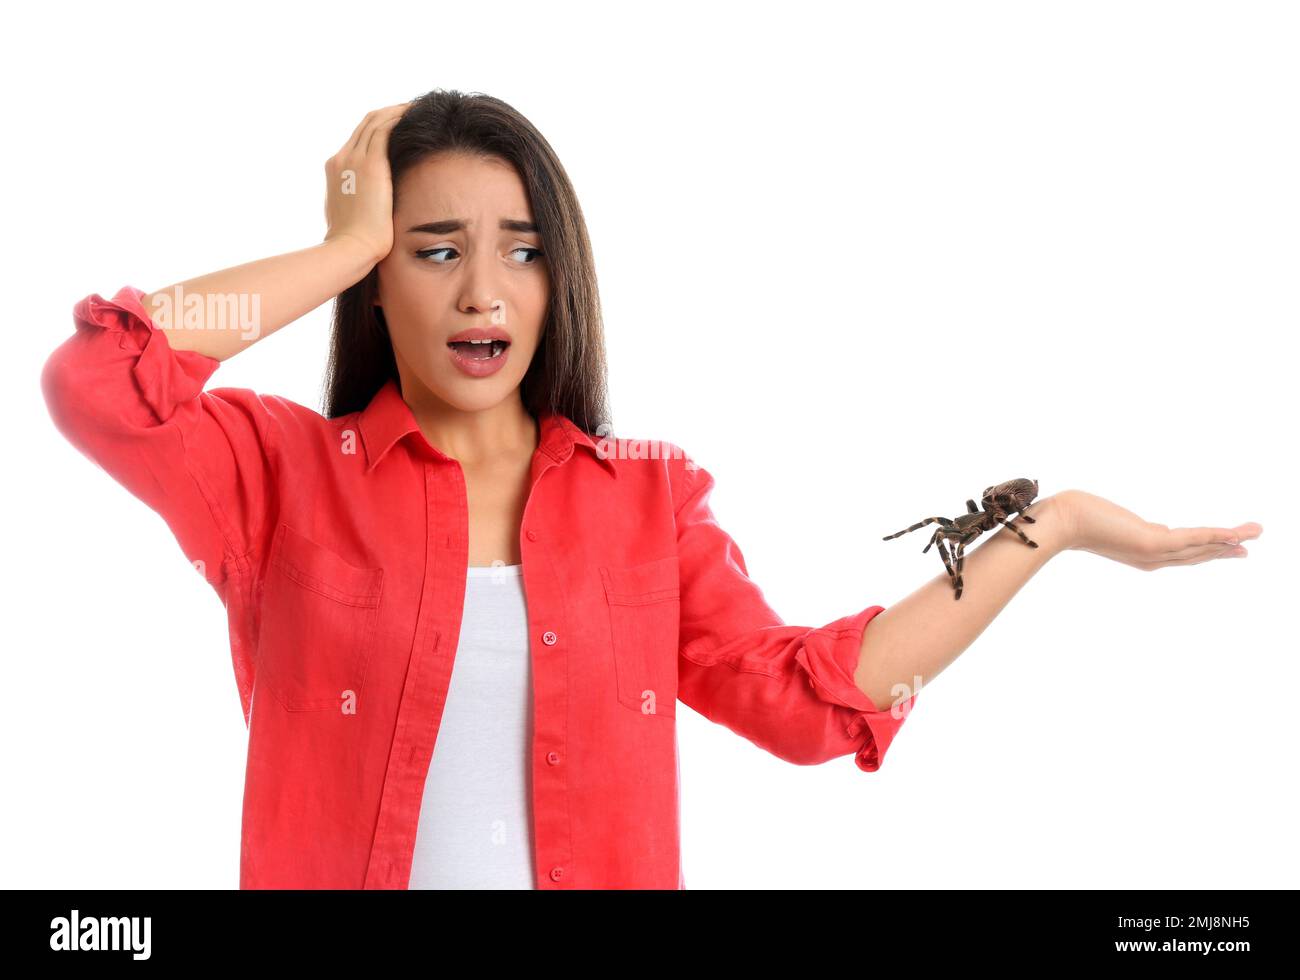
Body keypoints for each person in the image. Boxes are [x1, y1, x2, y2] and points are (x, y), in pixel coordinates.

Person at [40, 90, 1263, 890]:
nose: (484, 291)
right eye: (433, 249)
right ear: (381, 283)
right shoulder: (280, 477)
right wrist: (337, 247)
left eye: (522, 248)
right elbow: (104, 374)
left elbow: (813, 704)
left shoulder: (644, 501)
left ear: (558, 276)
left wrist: (1052, 530)